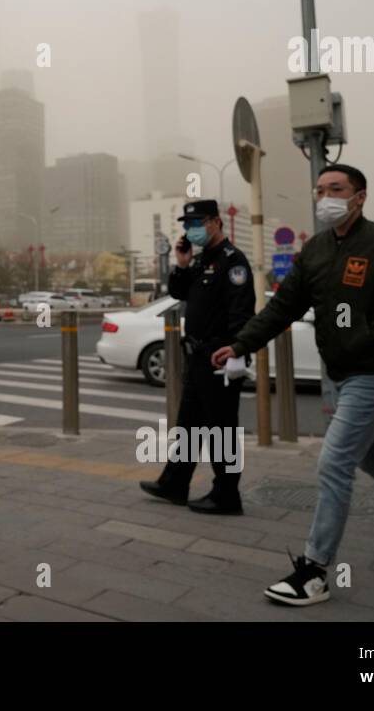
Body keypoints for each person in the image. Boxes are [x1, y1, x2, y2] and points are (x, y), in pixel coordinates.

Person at [211, 166, 374, 606]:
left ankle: (314, 571)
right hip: (339, 374)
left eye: (336, 189)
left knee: (333, 463)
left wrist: (368, 334)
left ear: (359, 197)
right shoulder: (315, 250)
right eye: (320, 189)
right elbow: (283, 307)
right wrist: (240, 345)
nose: (325, 196)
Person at [140, 199, 255, 514]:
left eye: (198, 222)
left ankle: (227, 494)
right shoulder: (203, 260)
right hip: (197, 354)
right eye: (188, 224)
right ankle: (175, 483)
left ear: (216, 222)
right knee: (189, 424)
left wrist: (236, 352)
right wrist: (181, 263)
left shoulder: (234, 262)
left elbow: (241, 312)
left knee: (221, 429)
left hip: (219, 356)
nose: (192, 229)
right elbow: (178, 292)